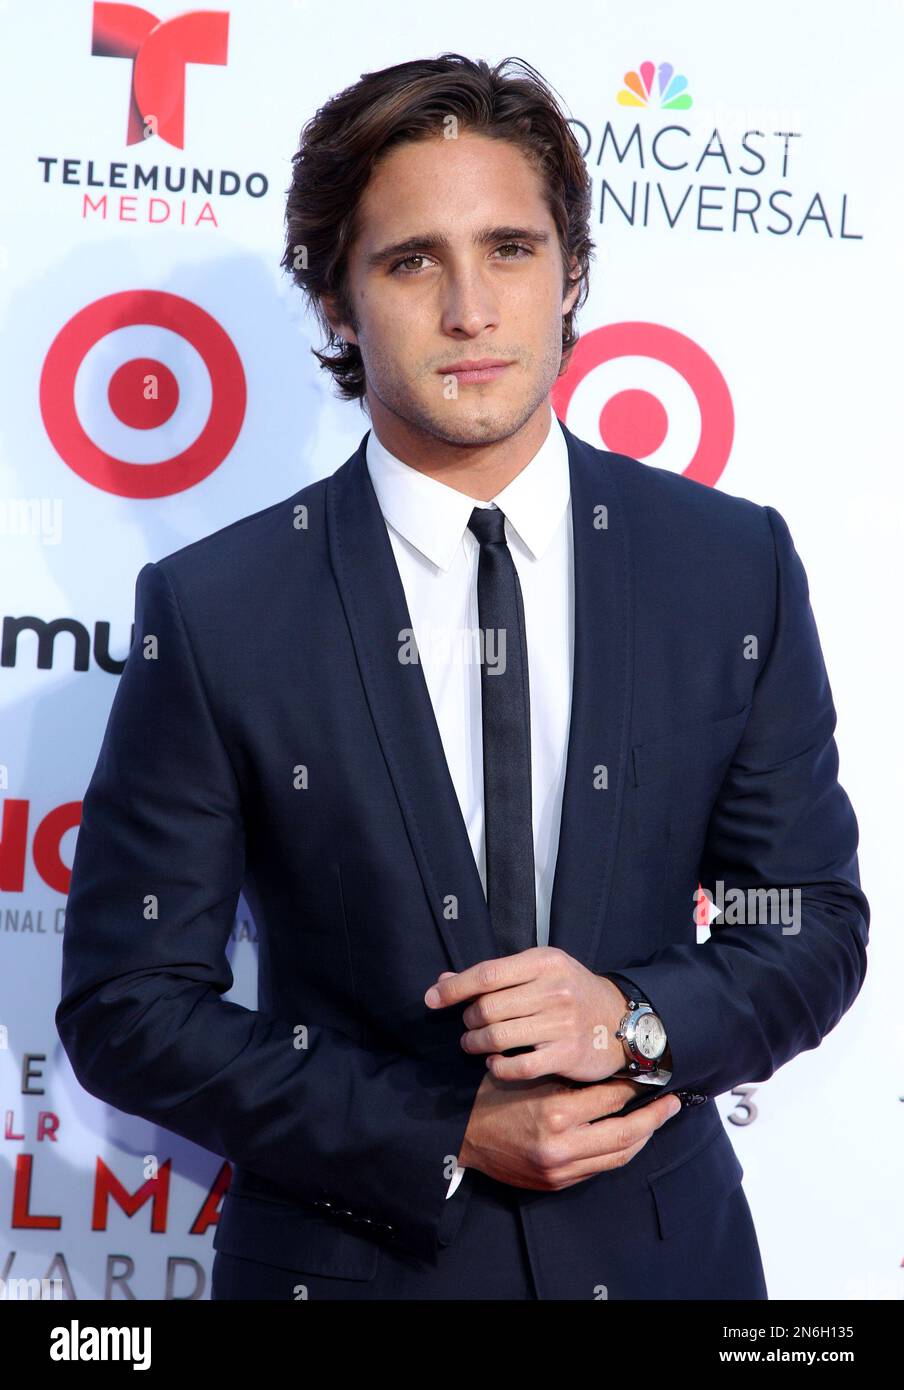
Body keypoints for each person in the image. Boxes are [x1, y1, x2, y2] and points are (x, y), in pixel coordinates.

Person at [57, 53, 869, 1301]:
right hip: (347, 1267)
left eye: (509, 249)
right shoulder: (219, 609)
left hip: (666, 1263)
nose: (471, 310)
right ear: (334, 300)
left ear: (571, 273)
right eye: (408, 260)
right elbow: (132, 1000)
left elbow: (798, 915)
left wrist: (634, 1017)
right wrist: (433, 1130)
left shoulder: (727, 566)